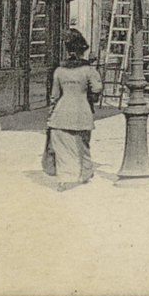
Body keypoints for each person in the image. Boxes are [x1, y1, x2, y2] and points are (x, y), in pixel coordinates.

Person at [46, 33, 104, 190]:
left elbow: (54, 96)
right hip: (81, 113)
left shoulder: (59, 71)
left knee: (62, 149)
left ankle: (63, 180)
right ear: (82, 52)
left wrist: (51, 114)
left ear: (68, 51)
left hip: (61, 114)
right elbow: (97, 88)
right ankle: (85, 173)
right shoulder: (88, 70)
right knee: (83, 145)